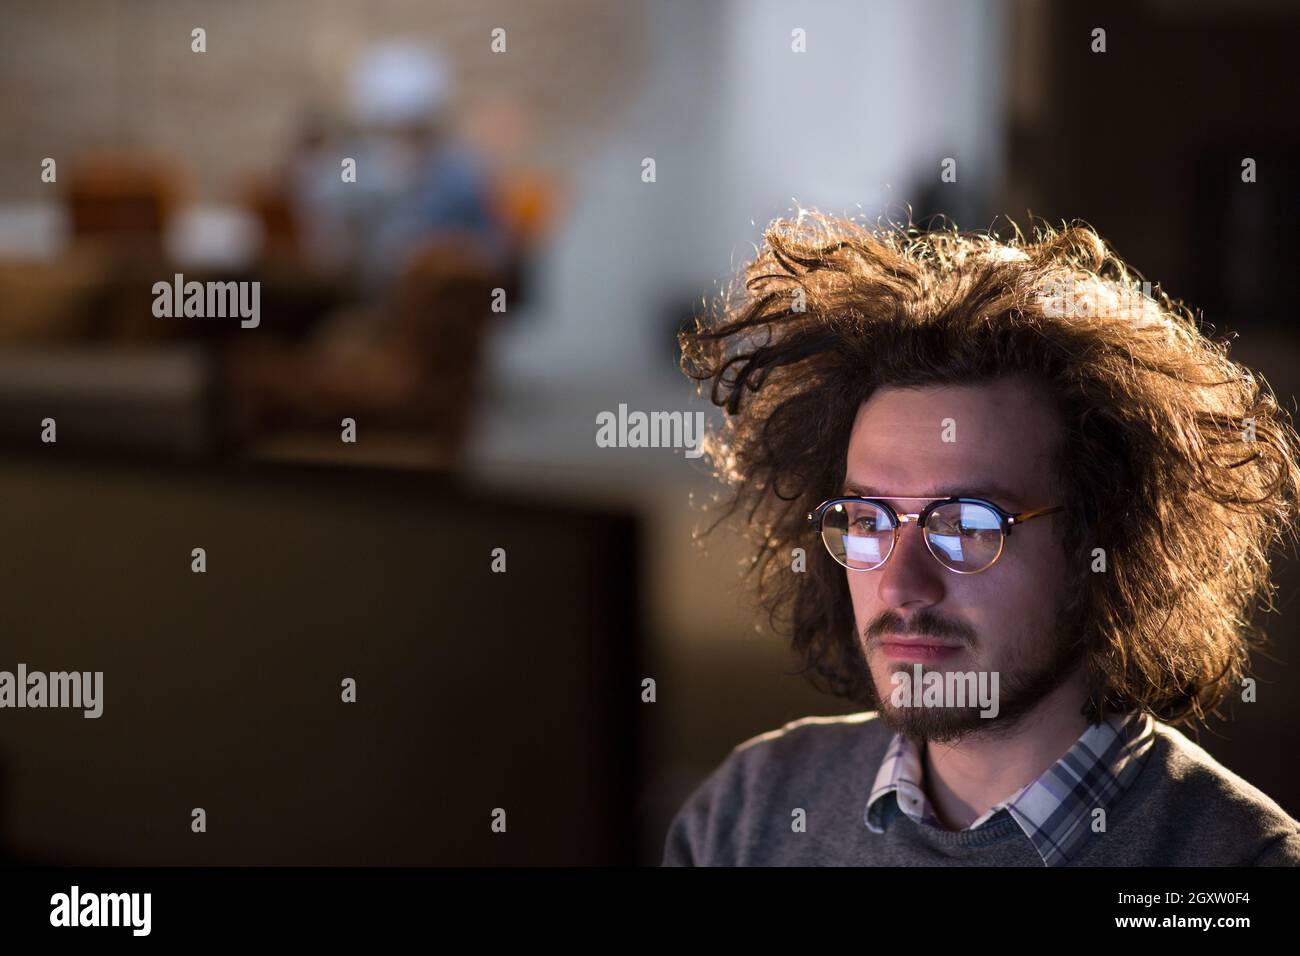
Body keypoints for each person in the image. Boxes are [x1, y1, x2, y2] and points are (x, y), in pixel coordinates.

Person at [663, 210, 1300, 866]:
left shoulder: (1236, 863)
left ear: (1104, 541)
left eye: (967, 525)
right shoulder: (750, 812)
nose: (899, 584)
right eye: (867, 521)